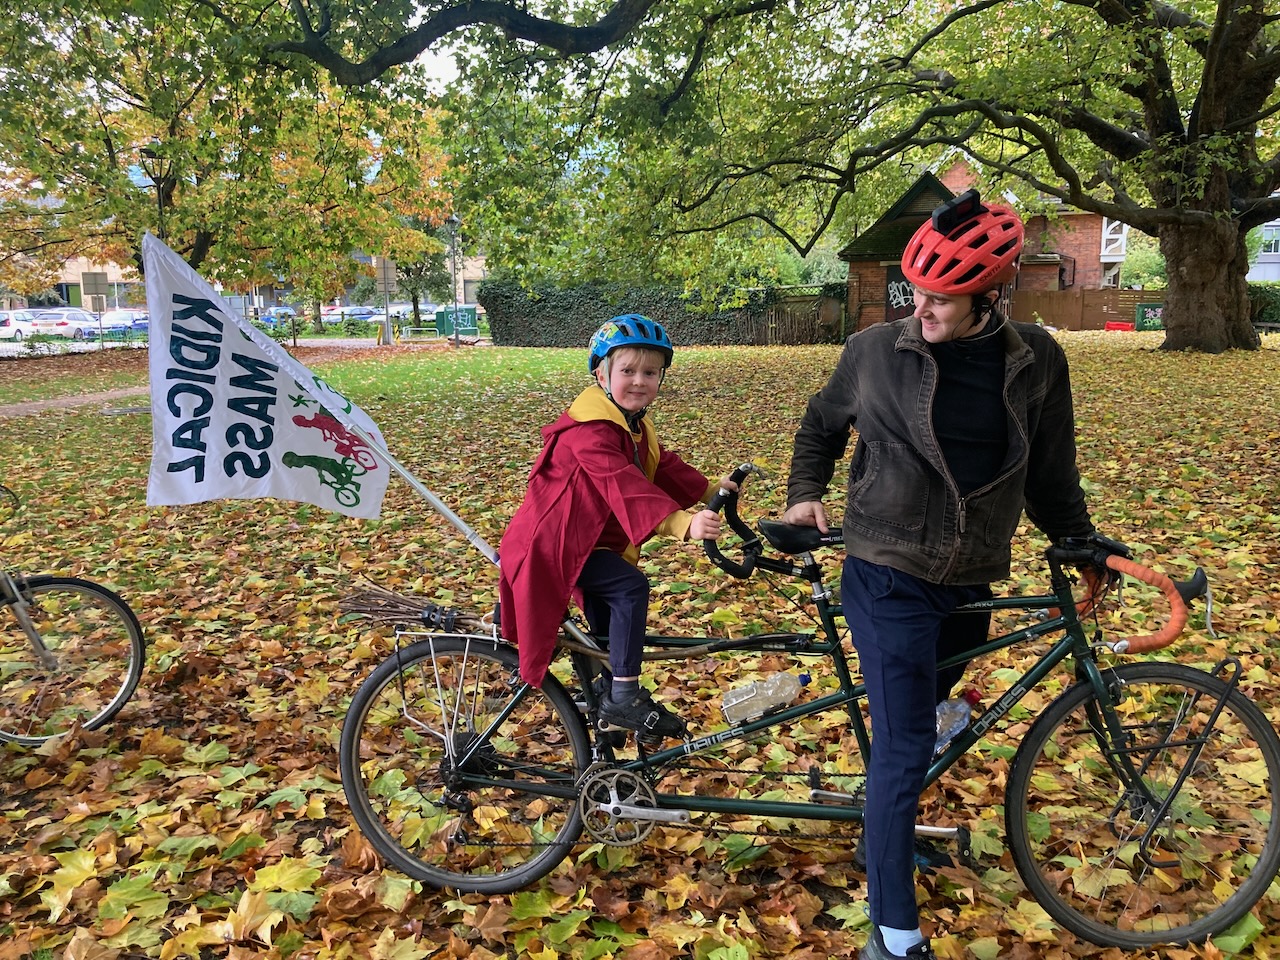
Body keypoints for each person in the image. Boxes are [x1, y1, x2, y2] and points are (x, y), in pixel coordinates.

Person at [782, 190, 1096, 960]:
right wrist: (803, 496)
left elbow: (1052, 472)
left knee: (925, 717)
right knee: (904, 743)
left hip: (972, 577)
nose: (921, 308)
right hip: (886, 568)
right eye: (916, 291)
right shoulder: (872, 352)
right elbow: (820, 427)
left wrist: (1080, 540)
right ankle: (891, 936)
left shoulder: (1037, 361)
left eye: (942, 298)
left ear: (990, 294)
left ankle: (880, 827)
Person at [498, 314, 738, 742]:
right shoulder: (589, 430)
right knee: (629, 589)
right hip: (554, 548)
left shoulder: (633, 424)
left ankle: (608, 709)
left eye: (651, 372)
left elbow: (659, 465)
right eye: (627, 370)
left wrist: (707, 489)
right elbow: (621, 483)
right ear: (601, 374)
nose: (639, 381)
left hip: (588, 544)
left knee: (608, 628)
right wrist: (681, 522)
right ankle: (623, 694)